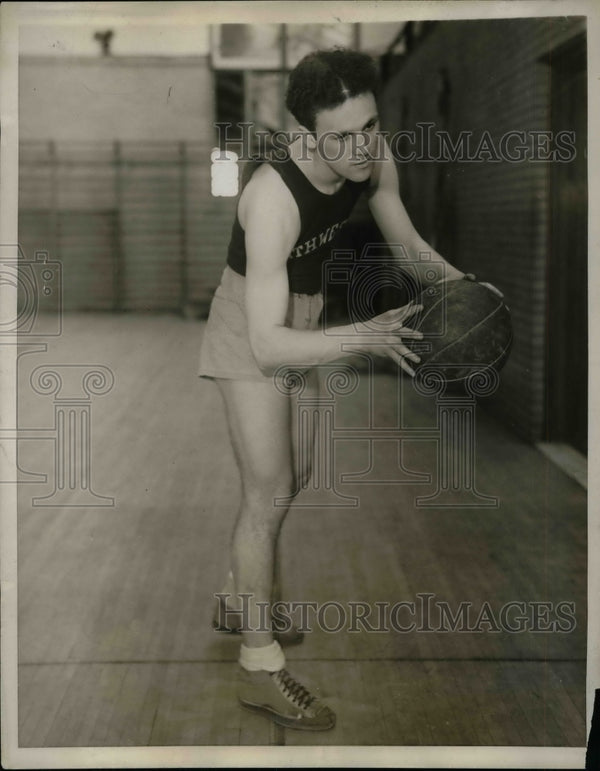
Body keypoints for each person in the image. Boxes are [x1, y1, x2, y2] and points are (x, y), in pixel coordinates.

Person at [198, 48, 465, 731]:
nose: (358, 146)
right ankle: (259, 664)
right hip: (252, 325)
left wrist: (463, 290)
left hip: (307, 312)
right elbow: (266, 342)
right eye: (339, 136)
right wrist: (366, 337)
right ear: (304, 134)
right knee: (267, 489)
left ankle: (238, 596)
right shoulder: (271, 198)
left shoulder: (373, 155)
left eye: (368, 125)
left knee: (300, 472)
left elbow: (405, 243)